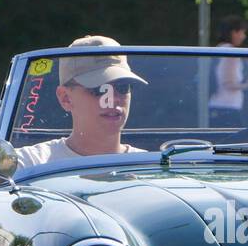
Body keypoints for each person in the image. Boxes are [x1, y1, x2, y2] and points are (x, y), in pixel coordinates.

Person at [14, 36, 148, 167]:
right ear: (65, 98)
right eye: (100, 89)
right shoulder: (28, 164)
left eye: (123, 87)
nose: (113, 98)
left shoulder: (150, 168)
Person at [208, 15, 248, 127]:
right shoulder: (231, 53)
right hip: (228, 108)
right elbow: (228, 83)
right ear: (234, 32)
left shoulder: (218, 49)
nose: (244, 36)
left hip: (216, 106)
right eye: (242, 32)